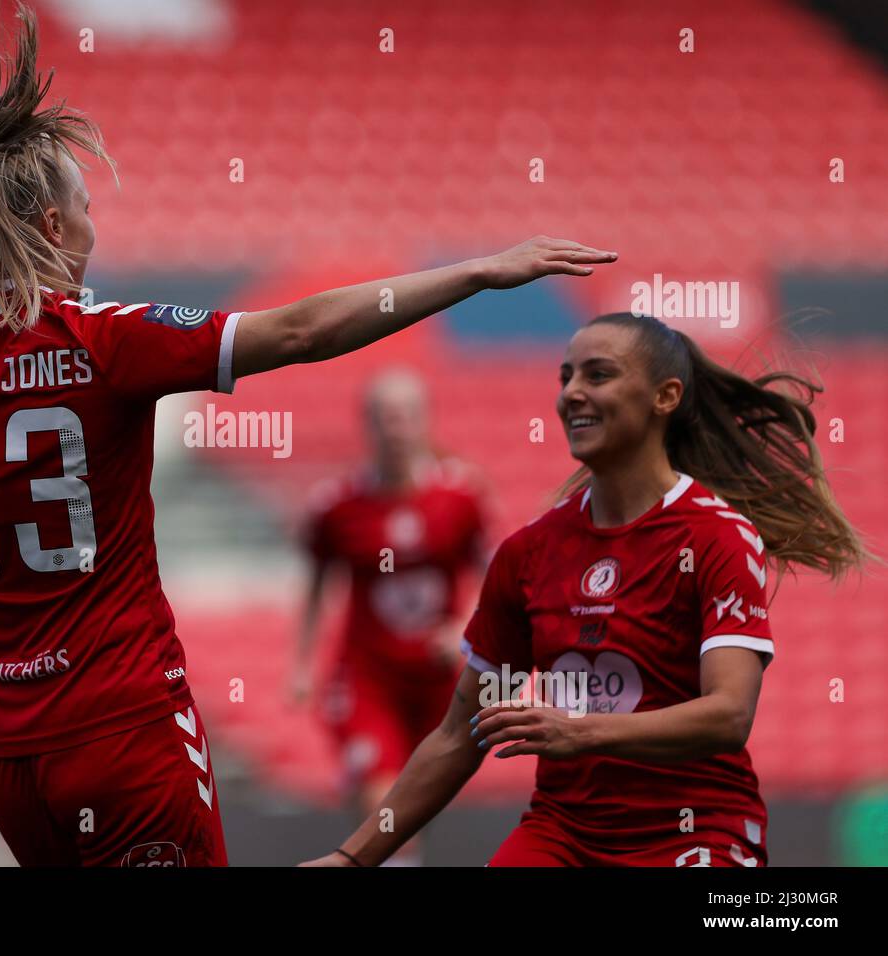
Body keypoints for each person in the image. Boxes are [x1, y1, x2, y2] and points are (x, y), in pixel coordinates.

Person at [0, 2, 617, 867]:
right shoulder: (107, 343)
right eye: (86, 209)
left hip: (12, 752)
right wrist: (475, 271)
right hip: (124, 728)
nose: (98, 228)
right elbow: (305, 328)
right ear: (52, 224)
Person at [303, 311, 867, 867]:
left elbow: (727, 715)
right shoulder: (529, 553)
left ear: (664, 397)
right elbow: (456, 737)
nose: (571, 393)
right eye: (565, 377)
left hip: (694, 832)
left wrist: (579, 732)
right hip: (564, 835)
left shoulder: (717, 537)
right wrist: (351, 860)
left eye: (597, 375)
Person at [292, 368, 487, 865]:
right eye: (385, 418)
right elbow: (317, 582)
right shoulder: (337, 506)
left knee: (414, 802)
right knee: (381, 801)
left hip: (439, 680)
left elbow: (494, 577)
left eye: (405, 417)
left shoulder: (461, 496)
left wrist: (465, 629)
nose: (396, 429)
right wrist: (302, 665)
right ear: (368, 425)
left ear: (425, 422)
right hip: (367, 676)